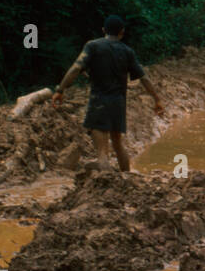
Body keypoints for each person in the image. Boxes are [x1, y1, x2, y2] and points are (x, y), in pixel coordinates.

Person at [51, 15, 163, 172]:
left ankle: (105, 180)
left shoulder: (93, 46)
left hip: (99, 102)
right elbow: (144, 78)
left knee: (102, 153)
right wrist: (157, 100)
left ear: (103, 30)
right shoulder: (127, 51)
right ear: (122, 32)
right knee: (118, 145)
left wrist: (60, 90)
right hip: (118, 103)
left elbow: (76, 68)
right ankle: (127, 179)